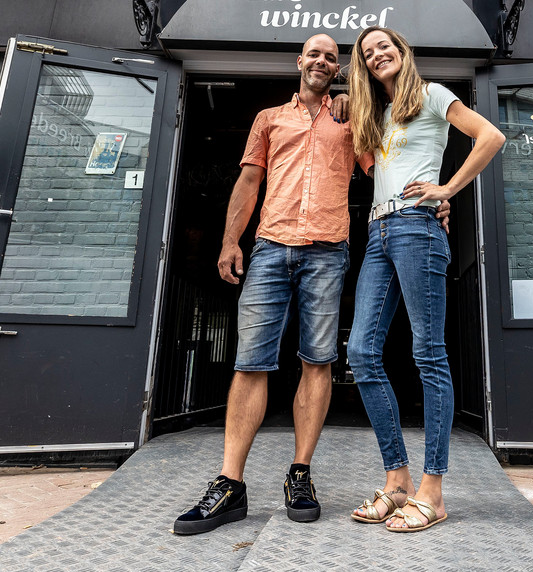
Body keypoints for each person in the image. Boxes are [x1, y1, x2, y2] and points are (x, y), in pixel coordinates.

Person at [173, 33, 447, 535]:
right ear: (299, 61)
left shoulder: (350, 119)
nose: (321, 60)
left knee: (317, 360)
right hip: (271, 246)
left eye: (331, 56)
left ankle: (300, 474)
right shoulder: (268, 119)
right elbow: (249, 181)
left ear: (338, 69)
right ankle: (229, 483)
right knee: (251, 360)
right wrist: (230, 240)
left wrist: (436, 197)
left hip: (327, 250)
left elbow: (386, 165)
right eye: (313, 53)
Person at [345, 26, 505, 533]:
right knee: (361, 353)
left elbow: (490, 136)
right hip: (377, 232)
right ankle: (397, 481)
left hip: (417, 226)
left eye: (384, 47)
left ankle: (432, 490)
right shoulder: (375, 112)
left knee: (427, 353)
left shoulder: (433, 95)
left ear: (403, 50)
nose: (377, 56)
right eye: (368, 54)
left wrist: (447, 190)